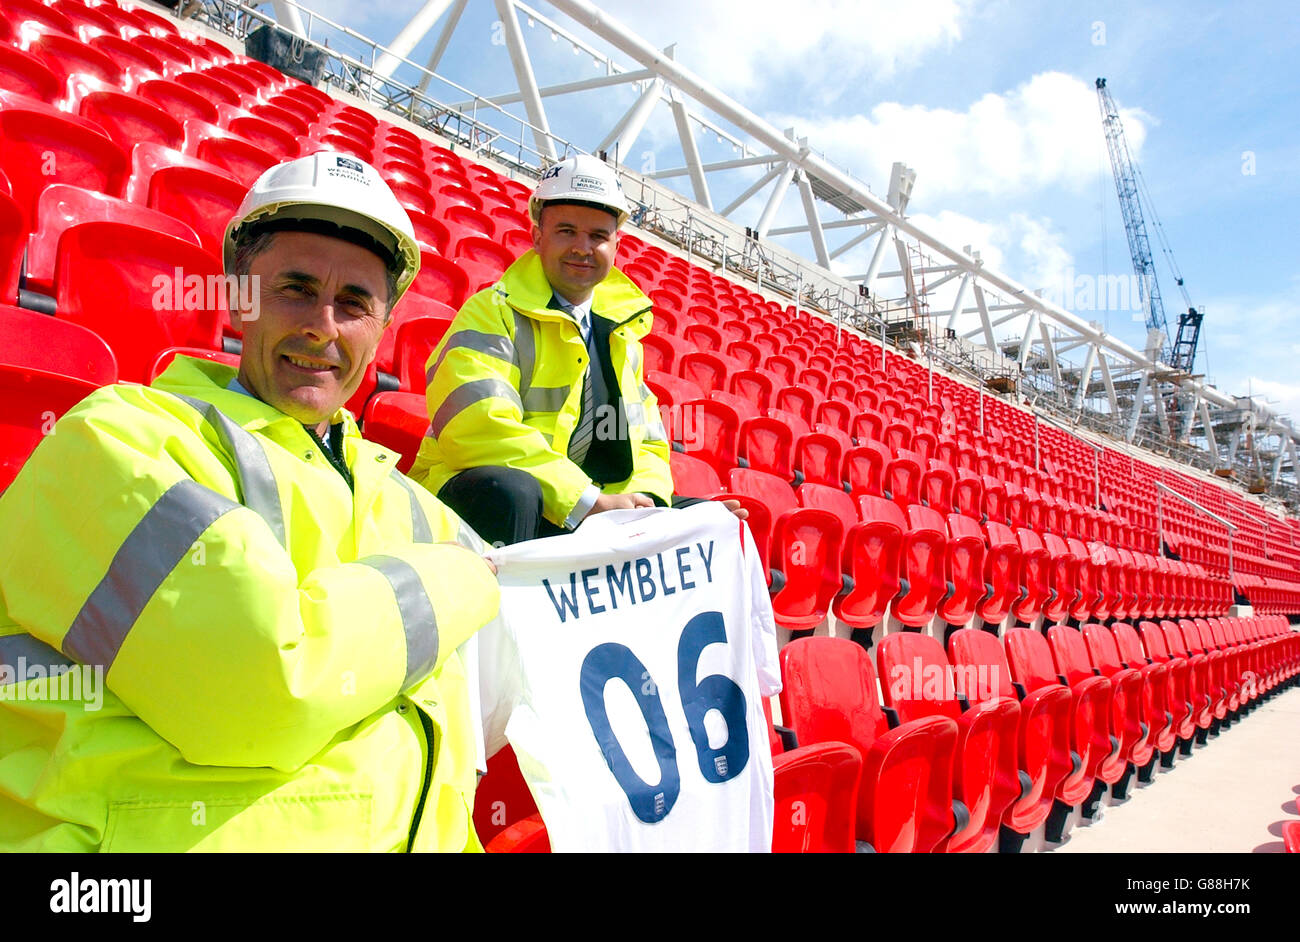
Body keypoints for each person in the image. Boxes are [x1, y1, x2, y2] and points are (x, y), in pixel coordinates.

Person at [0, 152, 499, 852]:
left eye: (354, 303)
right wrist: (458, 580)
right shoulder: (119, 438)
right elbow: (263, 690)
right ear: (238, 298)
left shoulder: (415, 509)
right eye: (295, 289)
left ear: (383, 328)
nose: (323, 326)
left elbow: (442, 769)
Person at [413, 154, 739, 545]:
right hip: (495, 495)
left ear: (616, 245)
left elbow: (647, 440)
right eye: (566, 231)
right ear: (537, 238)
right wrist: (586, 501)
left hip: (591, 503)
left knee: (712, 522)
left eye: (598, 236)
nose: (583, 248)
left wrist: (646, 504)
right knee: (512, 490)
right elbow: (478, 425)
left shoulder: (624, 339)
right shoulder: (492, 312)